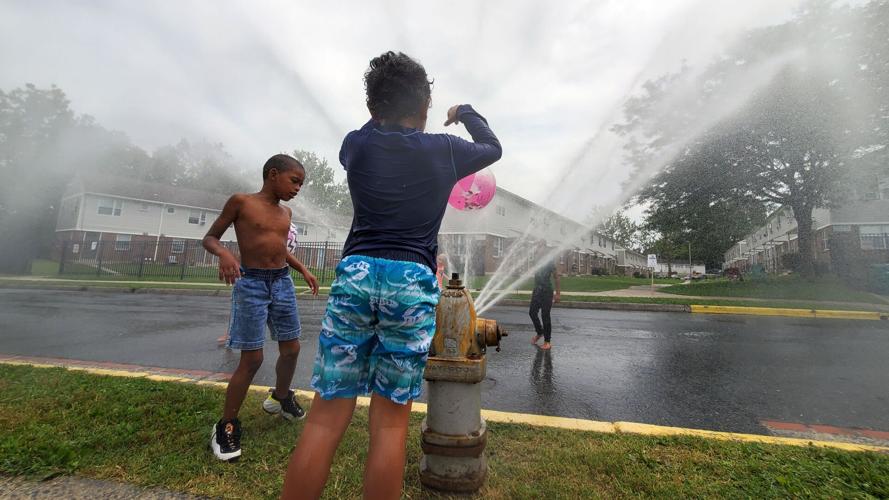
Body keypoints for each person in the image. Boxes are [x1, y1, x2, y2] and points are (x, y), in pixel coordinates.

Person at [281, 51, 502, 499]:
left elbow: (370, 129)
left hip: (357, 275)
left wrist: (377, 114)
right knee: (389, 423)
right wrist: (464, 113)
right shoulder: (444, 149)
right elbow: (493, 148)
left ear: (373, 110)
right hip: (410, 282)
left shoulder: (356, 144)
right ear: (424, 109)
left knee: (326, 416)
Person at [202, 154, 320, 462]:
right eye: (294, 181)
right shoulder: (241, 202)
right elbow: (210, 238)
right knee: (252, 359)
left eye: (301, 184)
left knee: (292, 348)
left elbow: (279, 248)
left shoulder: (286, 213)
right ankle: (226, 424)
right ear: (273, 174)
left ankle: (280, 398)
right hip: (251, 283)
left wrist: (302, 270)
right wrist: (226, 254)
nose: (298, 189)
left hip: (281, 282)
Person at [530, 242, 561, 350]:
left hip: (547, 292)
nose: (538, 248)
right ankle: (540, 332)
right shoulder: (536, 260)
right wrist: (535, 289)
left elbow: (556, 277)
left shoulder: (549, 261)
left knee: (545, 315)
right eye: (537, 246)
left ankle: (547, 341)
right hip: (537, 291)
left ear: (545, 248)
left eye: (540, 246)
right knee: (532, 312)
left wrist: (557, 294)